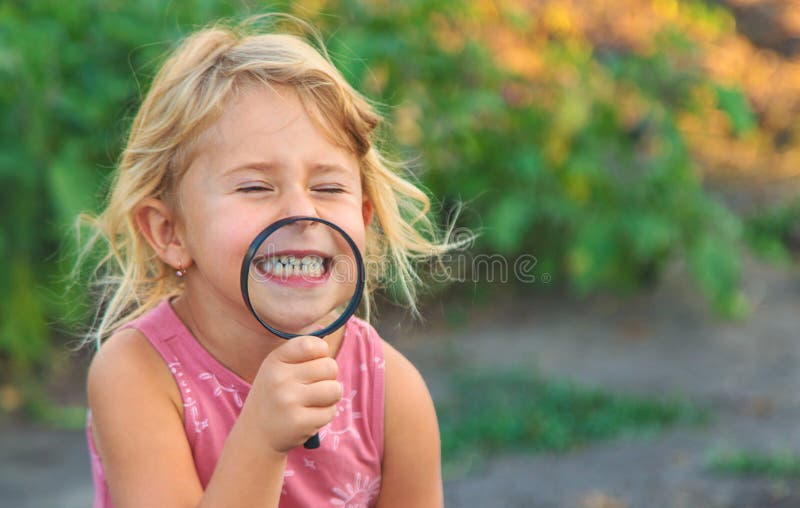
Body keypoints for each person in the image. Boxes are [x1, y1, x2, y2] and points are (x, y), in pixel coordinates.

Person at [80, 15, 454, 508]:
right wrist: (260, 440)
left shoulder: (390, 390)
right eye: (255, 186)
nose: (302, 212)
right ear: (169, 232)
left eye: (328, 187)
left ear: (363, 221)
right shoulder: (136, 374)